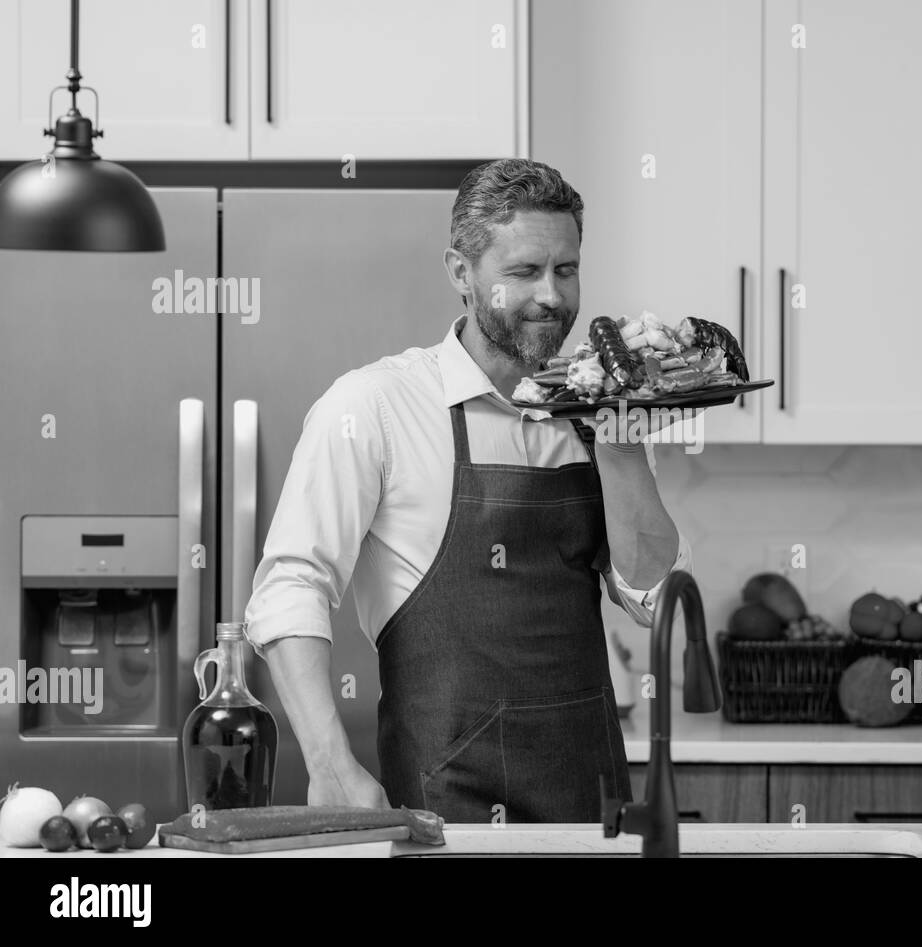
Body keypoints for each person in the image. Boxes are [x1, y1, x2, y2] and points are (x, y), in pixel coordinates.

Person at [244, 158, 689, 822]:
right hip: (442, 813)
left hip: (588, 809)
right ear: (461, 272)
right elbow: (289, 585)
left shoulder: (598, 409)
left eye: (565, 270)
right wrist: (331, 763)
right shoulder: (377, 406)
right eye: (523, 272)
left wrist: (622, 440)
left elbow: (650, 592)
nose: (551, 296)